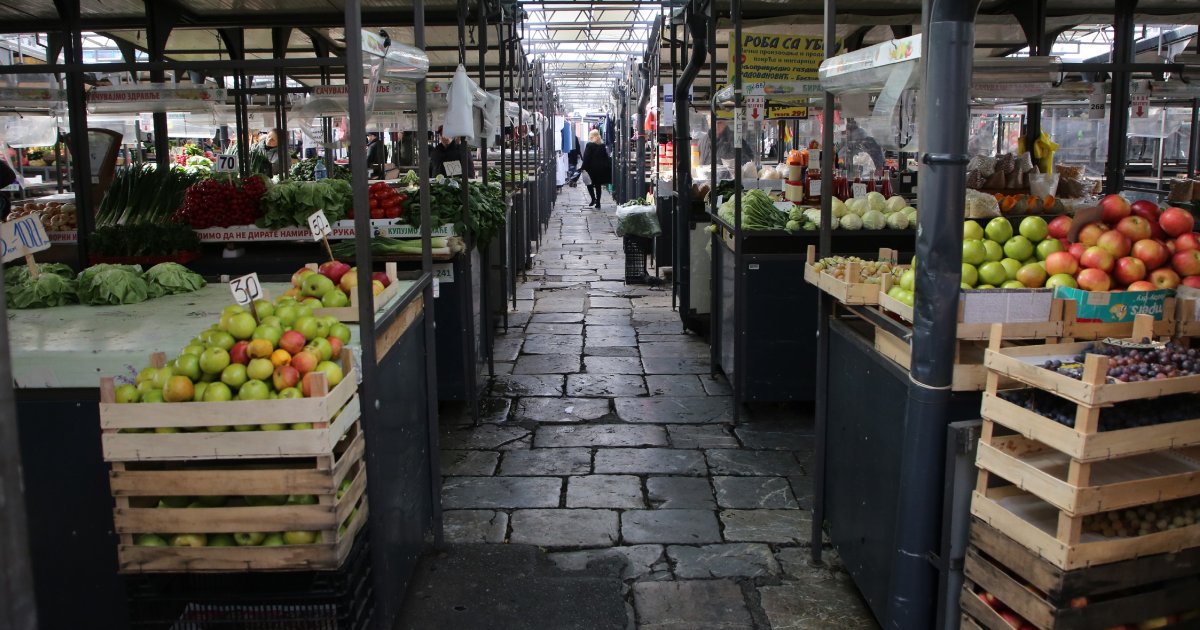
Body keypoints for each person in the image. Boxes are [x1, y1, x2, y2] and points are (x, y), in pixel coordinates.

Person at [580, 129, 611, 208]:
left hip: (591, 169)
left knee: (589, 184)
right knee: (598, 185)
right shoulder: (602, 145)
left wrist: (583, 167)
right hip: (600, 169)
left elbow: (586, 157)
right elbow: (606, 157)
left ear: (591, 136)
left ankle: (593, 198)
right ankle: (598, 203)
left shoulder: (589, 145)